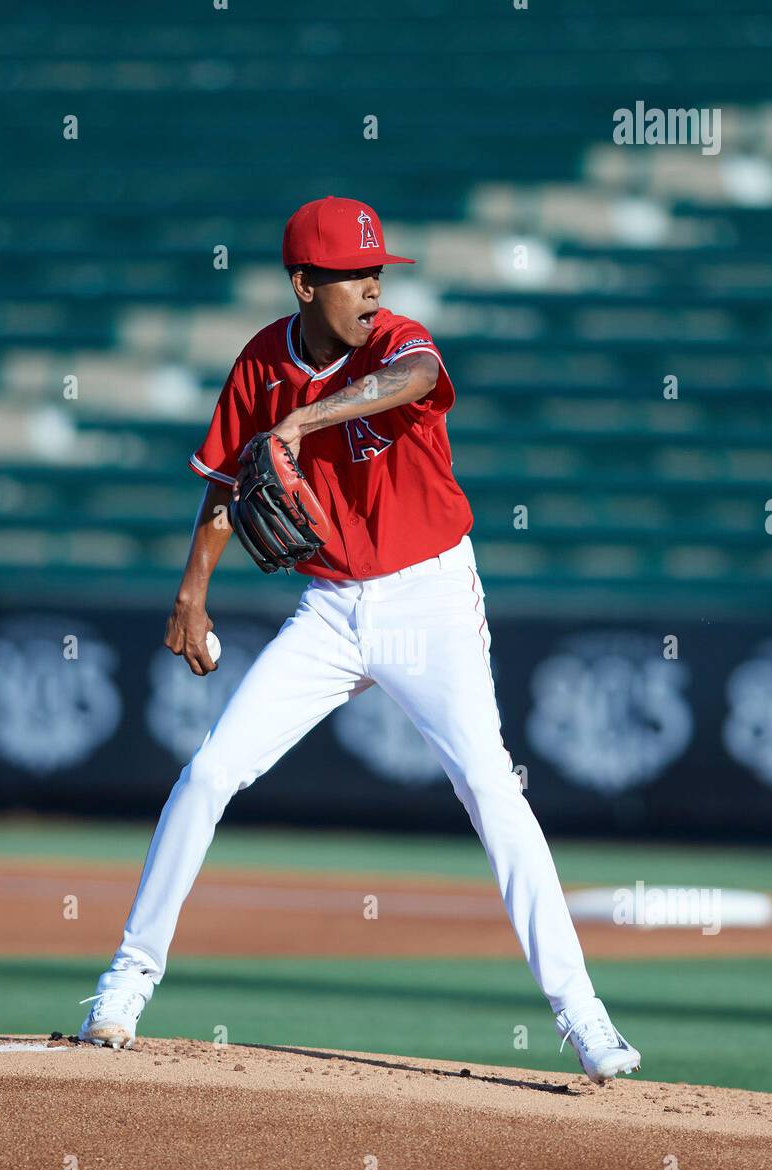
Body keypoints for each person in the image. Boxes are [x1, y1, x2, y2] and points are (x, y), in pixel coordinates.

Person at [79, 196, 641, 1084]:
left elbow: (414, 379)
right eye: (355, 277)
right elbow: (227, 485)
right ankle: (123, 984)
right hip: (332, 608)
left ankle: (584, 1018)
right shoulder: (261, 363)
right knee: (211, 772)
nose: (374, 291)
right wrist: (191, 594)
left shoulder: (396, 343)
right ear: (305, 284)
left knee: (492, 792)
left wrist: (303, 422)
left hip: (431, 599)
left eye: (379, 273)